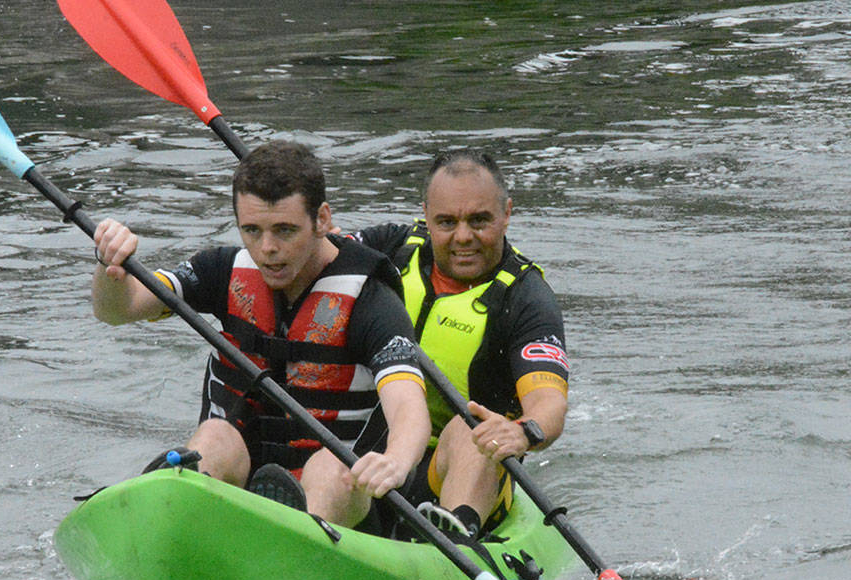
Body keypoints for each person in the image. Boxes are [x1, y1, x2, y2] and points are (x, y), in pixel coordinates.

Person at [91, 140, 430, 529]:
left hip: (348, 508)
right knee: (215, 438)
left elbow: (408, 407)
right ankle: (183, 514)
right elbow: (118, 310)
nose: (267, 249)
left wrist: (396, 461)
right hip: (244, 485)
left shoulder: (371, 302)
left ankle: (295, 535)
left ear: (322, 219)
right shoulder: (223, 271)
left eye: (285, 230)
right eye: (251, 230)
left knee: (331, 467)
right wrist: (109, 266)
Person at [349, 149, 569, 538]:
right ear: (426, 215)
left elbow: (549, 404)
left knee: (472, 428)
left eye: (479, 220)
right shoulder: (391, 250)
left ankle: (456, 537)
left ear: (506, 214)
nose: (463, 237)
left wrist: (524, 432)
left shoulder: (526, 299)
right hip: (371, 454)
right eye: (447, 222)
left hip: (452, 471)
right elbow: (316, 254)